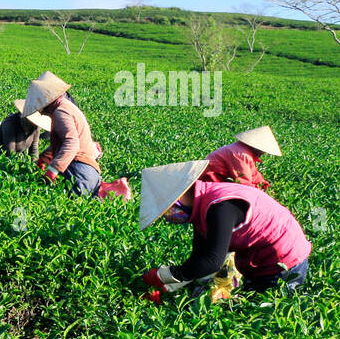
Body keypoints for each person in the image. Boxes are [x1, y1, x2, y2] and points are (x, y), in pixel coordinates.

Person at [139, 159, 311, 300]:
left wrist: (163, 275)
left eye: (168, 209)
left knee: (264, 314)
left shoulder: (219, 207)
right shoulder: (201, 210)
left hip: (283, 262)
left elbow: (212, 261)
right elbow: (200, 257)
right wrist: (169, 286)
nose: (169, 216)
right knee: (247, 305)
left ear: (180, 194)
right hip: (256, 260)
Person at [21, 72, 128, 199]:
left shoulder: (60, 112)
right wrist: (44, 158)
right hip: (90, 174)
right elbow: (63, 142)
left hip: (79, 173)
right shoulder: (68, 107)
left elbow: (72, 143)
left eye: (43, 109)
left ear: (47, 103)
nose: (44, 113)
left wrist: (53, 170)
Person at [200, 126, 281, 191]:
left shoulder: (246, 152)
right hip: (207, 183)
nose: (264, 153)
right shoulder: (241, 154)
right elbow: (244, 182)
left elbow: (254, 175)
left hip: (217, 182)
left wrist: (265, 186)